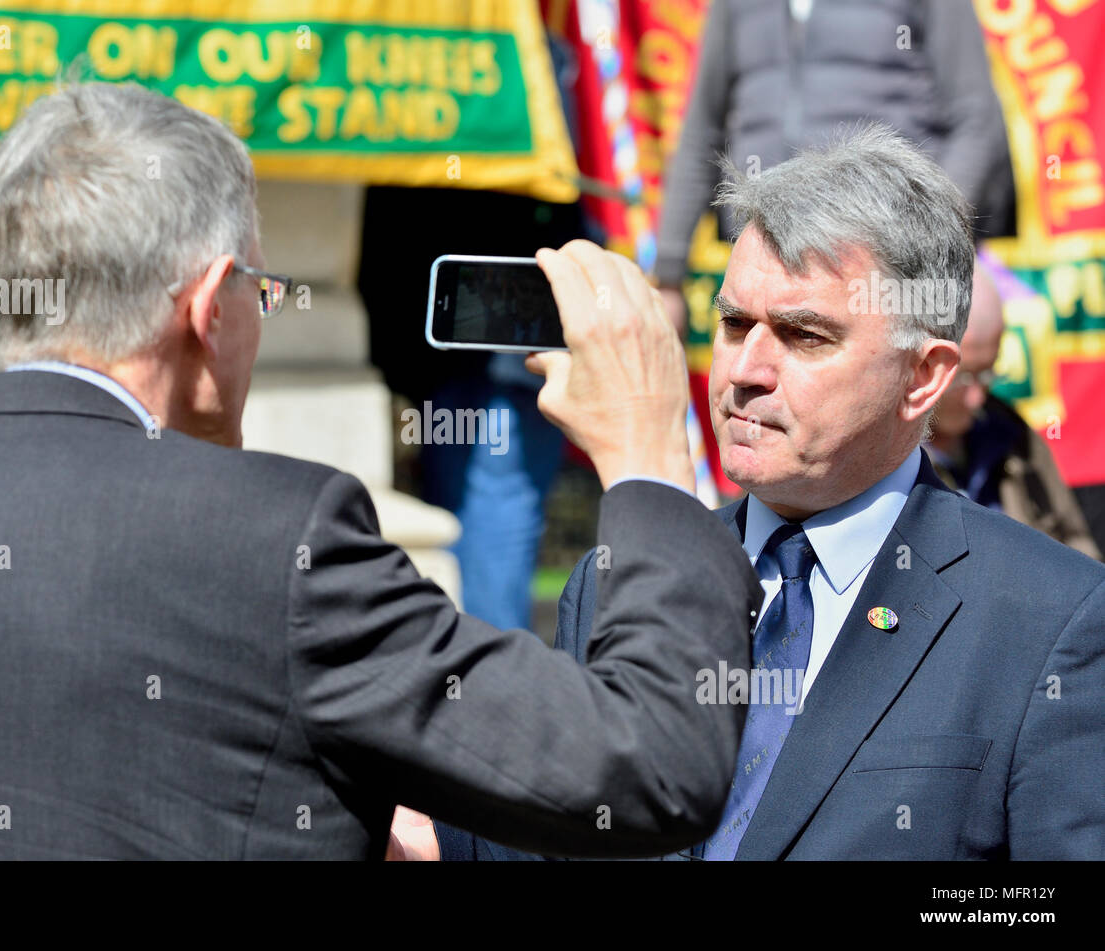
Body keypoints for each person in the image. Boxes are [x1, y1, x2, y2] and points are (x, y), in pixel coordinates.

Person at [0, 82, 762, 860]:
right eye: (262, 290)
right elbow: (649, 768)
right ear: (213, 306)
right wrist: (646, 454)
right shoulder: (279, 539)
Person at [433, 125, 1105, 860]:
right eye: (732, 322)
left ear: (923, 376)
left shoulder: (1053, 619)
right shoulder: (612, 582)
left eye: (804, 335)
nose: (745, 369)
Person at [654, 0, 1014, 338]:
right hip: (766, 259)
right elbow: (701, 135)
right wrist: (668, 276)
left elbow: (977, 121)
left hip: (882, 266)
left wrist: (931, 247)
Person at [927, 261, 1101, 559]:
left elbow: (1078, 549)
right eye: (964, 379)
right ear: (921, 364)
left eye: (990, 374)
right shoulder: (886, 467)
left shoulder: (1013, 435)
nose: (977, 399)